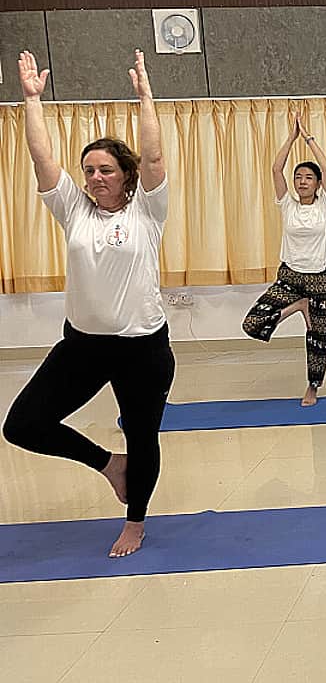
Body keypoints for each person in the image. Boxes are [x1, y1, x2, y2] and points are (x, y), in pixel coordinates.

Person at [3, 50, 175, 558]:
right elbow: (42, 159)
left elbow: (155, 158)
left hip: (143, 348)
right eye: (89, 170)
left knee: (143, 435)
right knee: (22, 425)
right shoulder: (72, 209)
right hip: (81, 347)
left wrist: (145, 97)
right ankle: (108, 465)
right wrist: (31, 100)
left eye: (106, 169)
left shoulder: (148, 208)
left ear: (126, 174)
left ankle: (135, 522)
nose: (96, 177)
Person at [241, 115, 326, 407]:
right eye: (299, 177)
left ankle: (312, 388)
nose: (302, 182)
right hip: (290, 278)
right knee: (253, 323)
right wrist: (291, 138)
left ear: (318, 184)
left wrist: (308, 138)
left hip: (319, 279)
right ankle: (298, 306)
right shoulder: (287, 205)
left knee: (318, 339)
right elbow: (275, 168)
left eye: (309, 177)